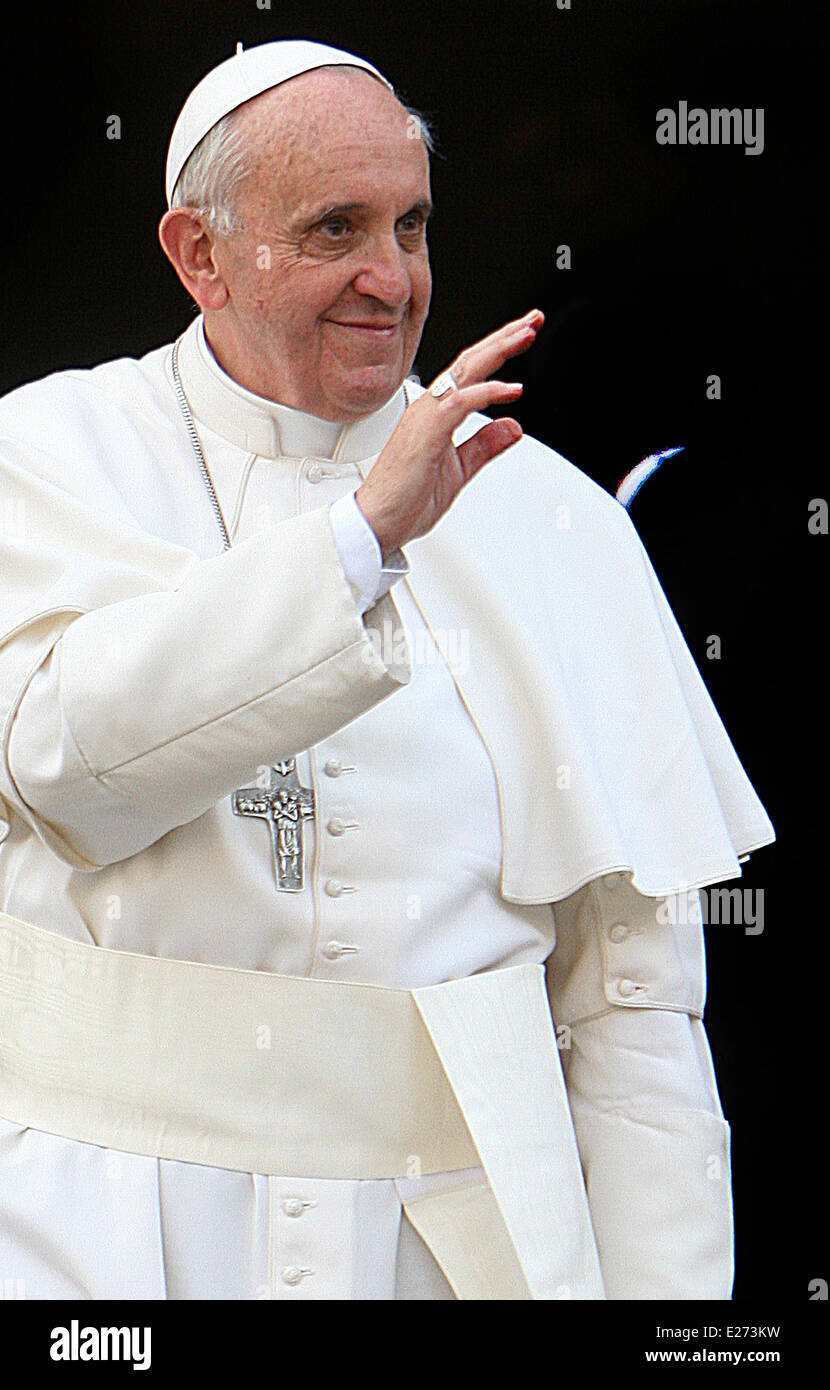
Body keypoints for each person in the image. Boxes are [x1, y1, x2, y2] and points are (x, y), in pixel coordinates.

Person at [0, 39, 774, 1301]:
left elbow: (633, 1015)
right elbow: (61, 772)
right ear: (196, 253)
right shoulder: (45, 454)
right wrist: (358, 543)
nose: (390, 277)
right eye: (333, 228)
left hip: (444, 1247)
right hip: (95, 1237)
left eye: (409, 225)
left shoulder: (554, 519)